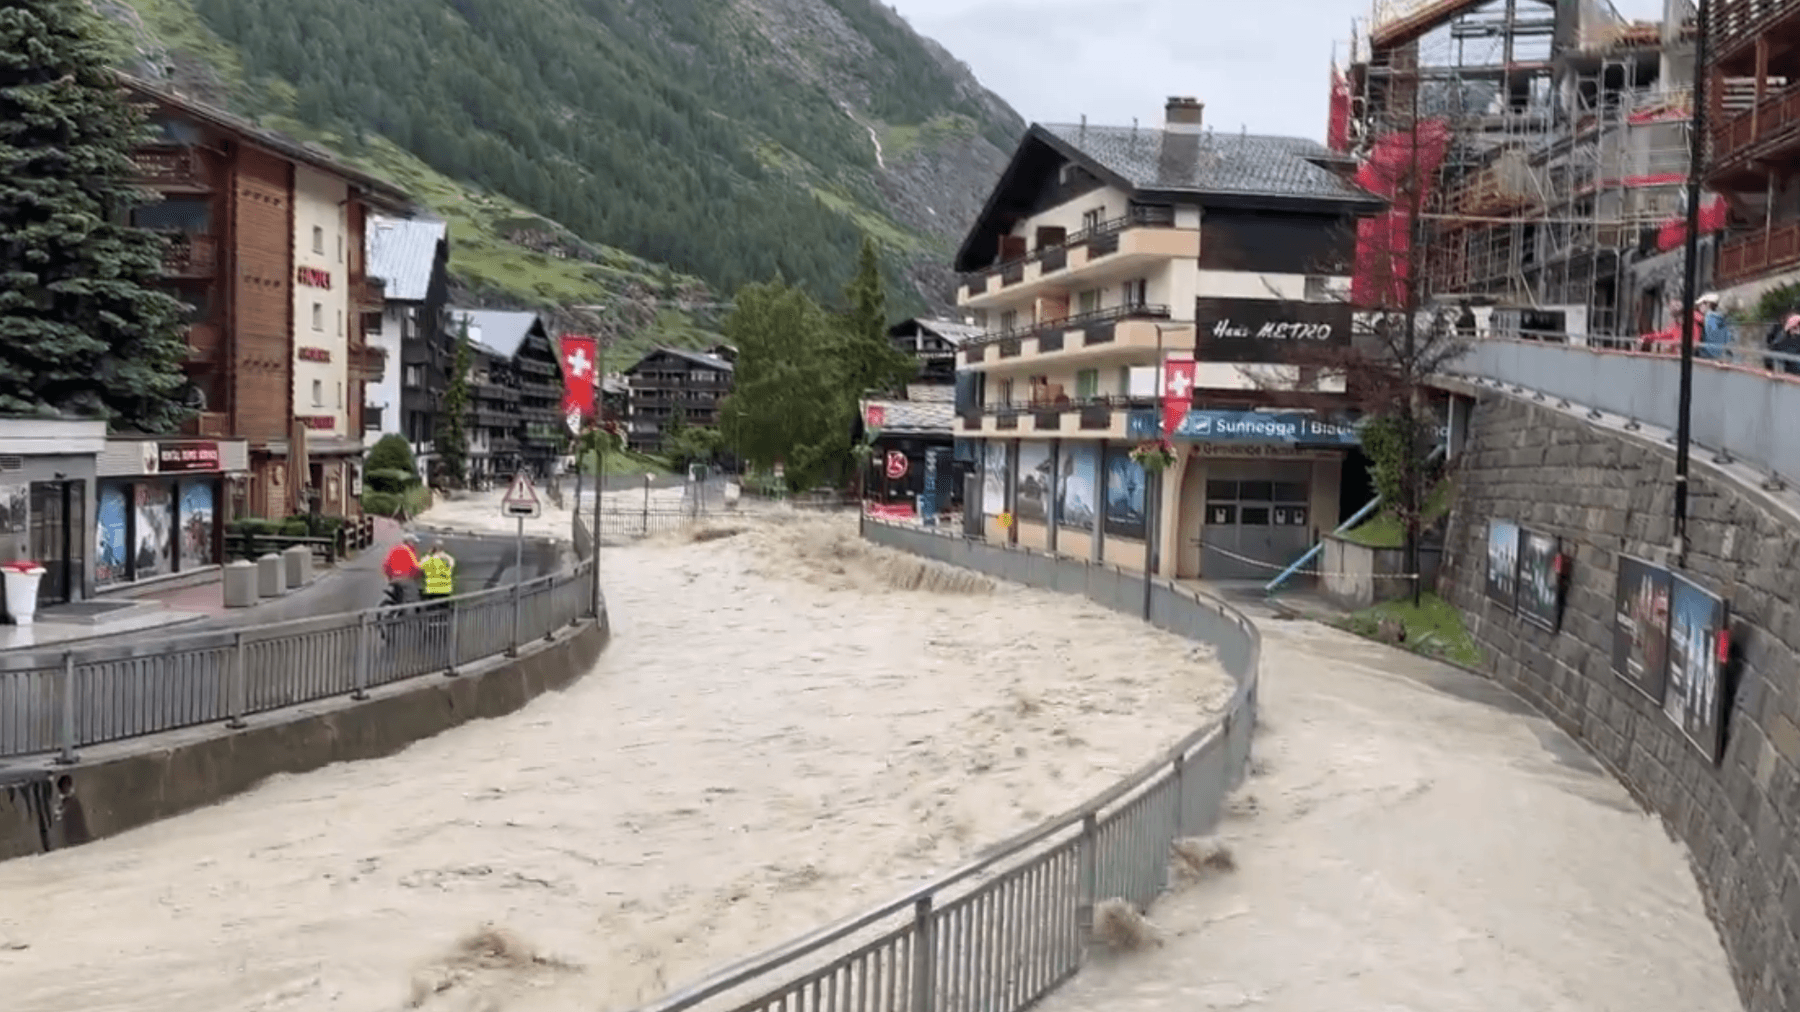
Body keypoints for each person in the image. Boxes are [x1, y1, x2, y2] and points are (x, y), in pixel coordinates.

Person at [382, 532, 422, 604]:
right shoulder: (410, 551)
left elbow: (386, 564)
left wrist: (390, 577)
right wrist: (418, 574)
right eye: (414, 543)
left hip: (394, 579)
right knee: (413, 596)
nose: (416, 545)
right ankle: (406, 613)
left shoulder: (394, 549)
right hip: (405, 579)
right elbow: (414, 567)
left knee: (398, 596)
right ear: (410, 542)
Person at [419, 540, 456, 606]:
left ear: (432, 549)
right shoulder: (447, 560)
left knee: (432, 612)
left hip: (431, 590)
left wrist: (428, 555)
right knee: (444, 612)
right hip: (445, 590)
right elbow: (452, 564)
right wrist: (444, 555)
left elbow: (419, 566)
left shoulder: (428, 560)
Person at [1698, 293, 1730, 361]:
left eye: (1703, 303)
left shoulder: (1708, 318)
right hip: (1720, 354)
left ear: (1709, 304)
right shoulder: (1722, 318)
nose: (1700, 306)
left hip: (1707, 355)